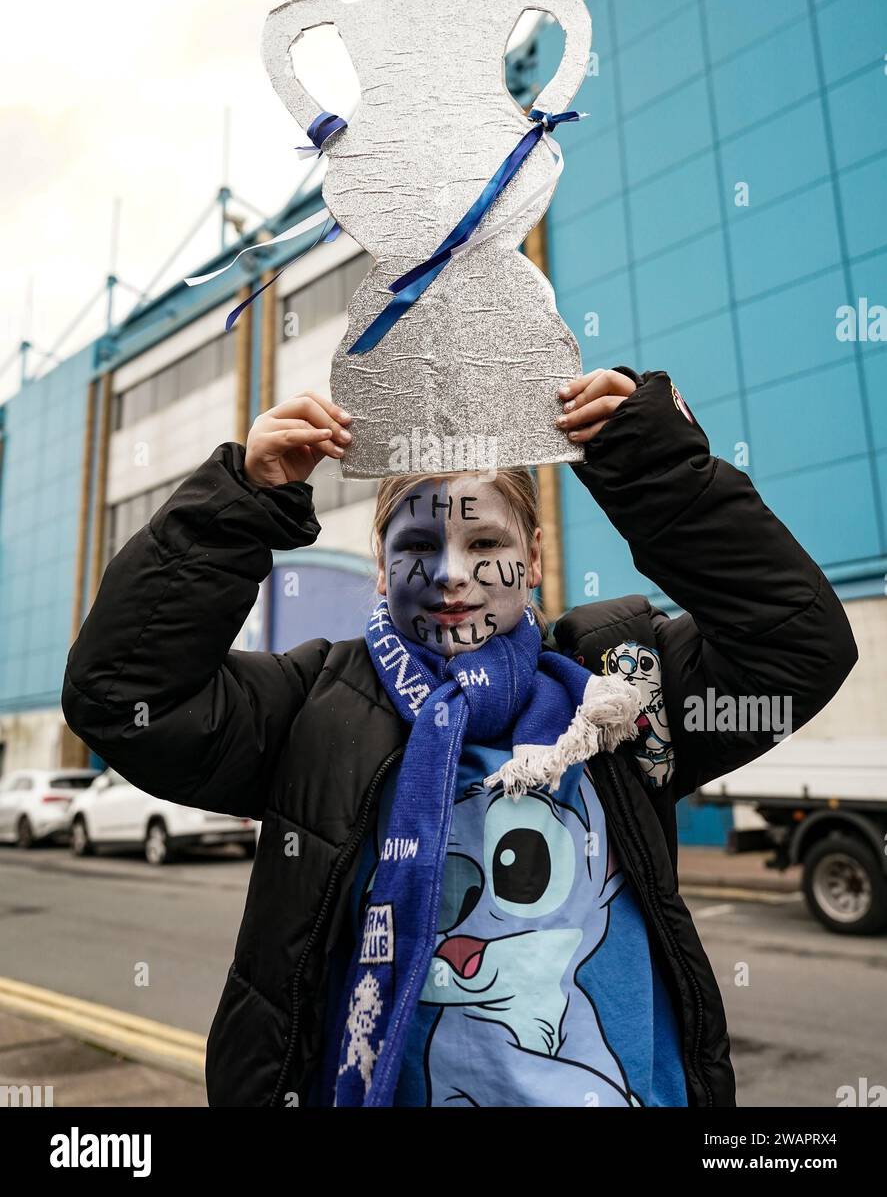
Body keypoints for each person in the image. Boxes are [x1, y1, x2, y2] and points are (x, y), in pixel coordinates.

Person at [61, 365, 857, 1107]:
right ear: (379, 567)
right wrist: (235, 503)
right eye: (415, 547)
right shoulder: (312, 704)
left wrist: (653, 469)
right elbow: (124, 697)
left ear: (535, 556)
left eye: (485, 545)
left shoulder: (622, 684)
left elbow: (796, 647)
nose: (450, 573)